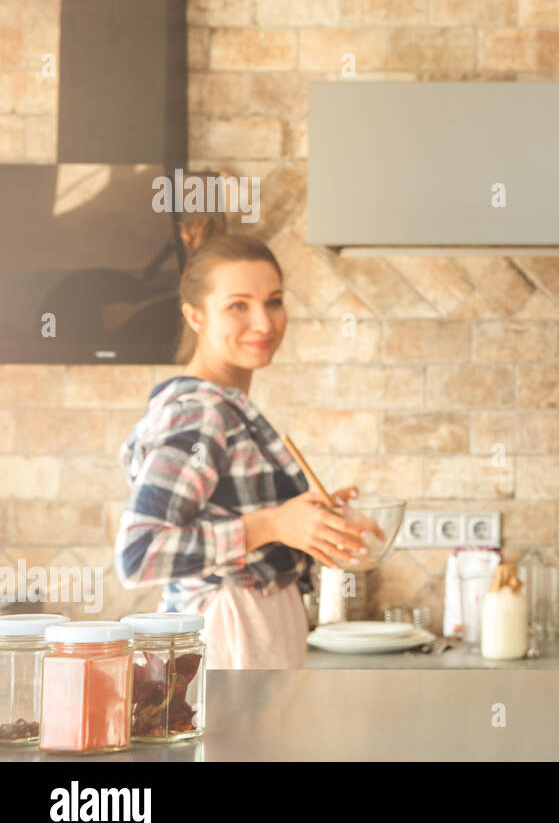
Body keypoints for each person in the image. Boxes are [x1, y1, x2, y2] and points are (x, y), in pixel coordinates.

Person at [115, 227, 379, 669]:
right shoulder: (200, 412)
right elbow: (139, 553)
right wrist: (274, 523)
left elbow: (237, 517)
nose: (263, 322)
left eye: (273, 301)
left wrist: (308, 519)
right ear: (196, 316)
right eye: (238, 305)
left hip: (253, 623)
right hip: (227, 627)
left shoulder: (224, 406)